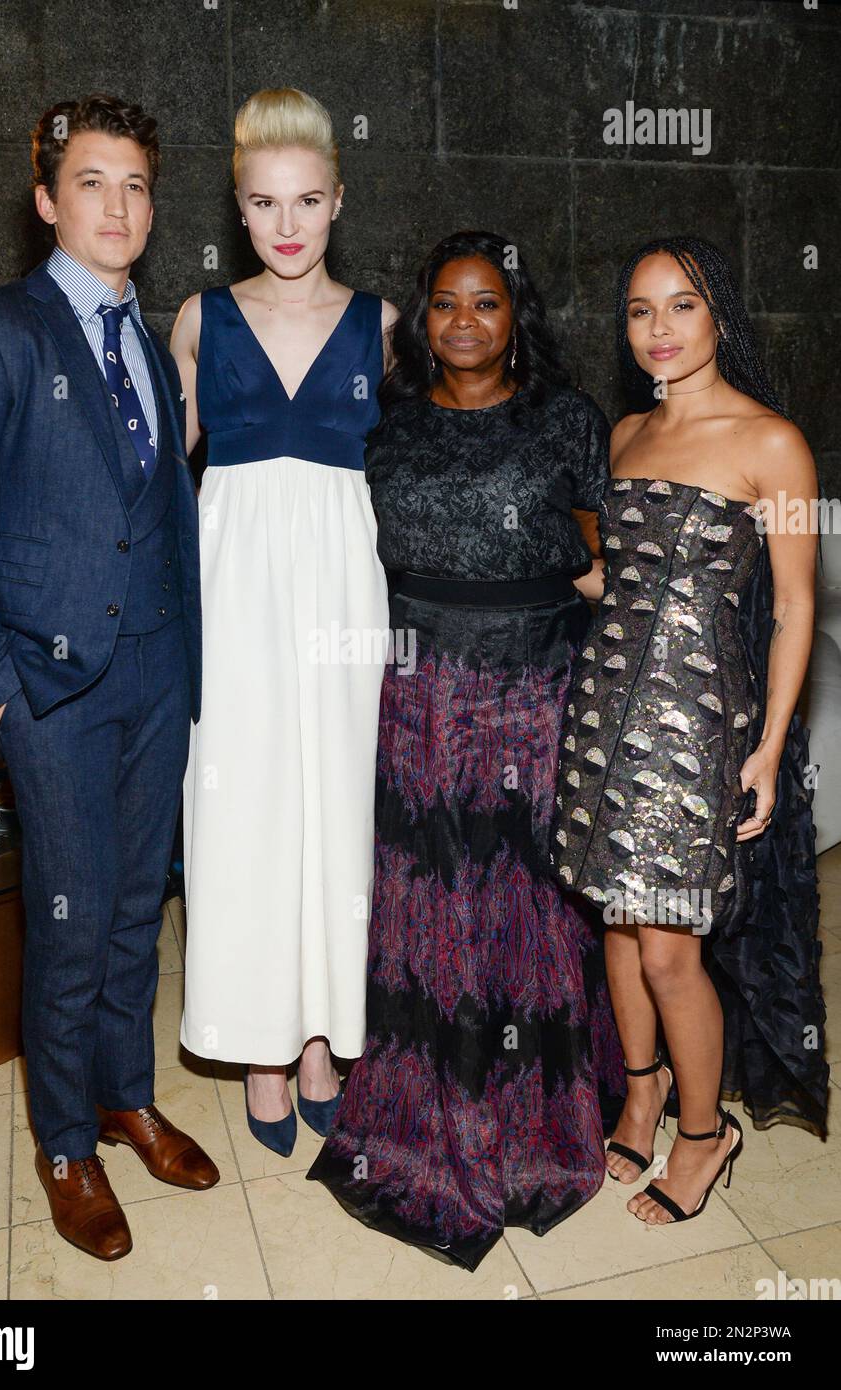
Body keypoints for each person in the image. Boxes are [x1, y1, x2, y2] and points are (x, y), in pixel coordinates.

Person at [0, 93, 219, 1262]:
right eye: (92, 181)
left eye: (135, 184)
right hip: (47, 687)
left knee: (139, 907)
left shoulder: (147, 332)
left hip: (154, 675)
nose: (117, 206)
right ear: (45, 198)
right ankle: (65, 1141)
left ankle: (125, 1094)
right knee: (72, 920)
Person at [305, 231, 626, 1270]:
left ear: (514, 315)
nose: (462, 323)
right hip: (415, 689)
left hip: (536, 684)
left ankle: (537, 1118)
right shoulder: (383, 426)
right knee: (429, 896)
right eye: (443, 304)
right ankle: (427, 1107)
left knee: (529, 898)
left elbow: (604, 557)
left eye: (484, 304)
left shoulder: (568, 419)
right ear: (421, 318)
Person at [549, 235, 829, 1226]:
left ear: (718, 316)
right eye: (637, 310)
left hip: (697, 727)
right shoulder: (623, 434)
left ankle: (706, 1135)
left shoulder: (773, 443)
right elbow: (610, 583)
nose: (657, 329)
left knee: (670, 945)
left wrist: (765, 748)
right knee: (618, 923)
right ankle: (643, 1087)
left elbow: (795, 608)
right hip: (602, 711)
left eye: (679, 305)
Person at [170, 88, 397, 1155]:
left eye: (307, 198)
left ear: (338, 197)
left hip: (344, 590)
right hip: (233, 585)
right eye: (264, 203)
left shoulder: (383, 325)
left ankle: (322, 1034)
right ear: (239, 208)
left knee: (336, 804)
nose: (288, 223)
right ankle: (264, 1044)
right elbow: (160, 476)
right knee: (242, 809)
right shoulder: (198, 318)